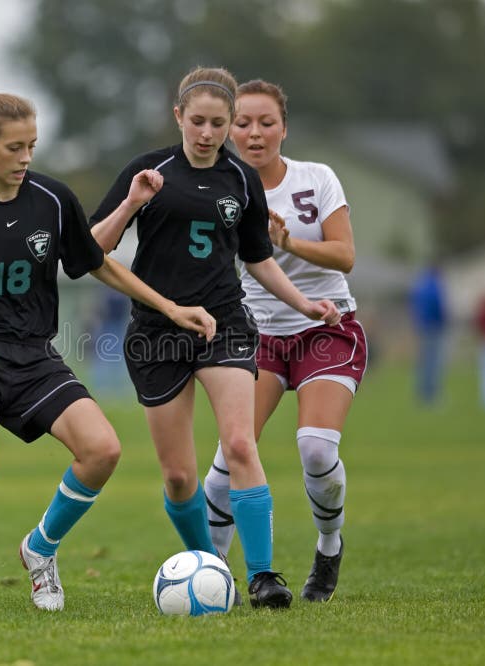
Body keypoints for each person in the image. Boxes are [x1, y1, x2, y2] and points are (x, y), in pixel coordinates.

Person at [0, 85, 216, 617]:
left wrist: (171, 308)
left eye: (32, 145)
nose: (26, 157)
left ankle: (39, 549)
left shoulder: (53, 199)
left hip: (34, 357)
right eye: (15, 148)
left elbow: (98, 262)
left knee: (103, 450)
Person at [89, 67, 341, 609]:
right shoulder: (147, 170)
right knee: (180, 476)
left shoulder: (240, 178)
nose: (207, 133)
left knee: (240, 443)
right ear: (178, 117)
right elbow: (93, 250)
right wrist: (132, 202)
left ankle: (263, 576)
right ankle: (210, 567)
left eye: (218, 124)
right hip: (157, 332)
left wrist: (305, 305)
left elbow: (257, 258)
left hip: (223, 322)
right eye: (197, 121)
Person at [200, 79, 366, 603]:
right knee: (232, 452)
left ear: (283, 128)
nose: (253, 133)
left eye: (265, 122)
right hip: (258, 335)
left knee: (316, 450)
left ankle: (329, 545)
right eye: (242, 123)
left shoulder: (317, 178)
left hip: (325, 328)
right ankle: (212, 570)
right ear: (228, 129)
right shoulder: (221, 187)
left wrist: (289, 242)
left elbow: (344, 256)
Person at [409, 263, 448, 404]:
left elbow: (413, 305)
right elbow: (439, 307)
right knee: (433, 363)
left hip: (421, 327)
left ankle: (421, 394)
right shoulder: (435, 286)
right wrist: (444, 322)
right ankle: (431, 396)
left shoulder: (420, 285)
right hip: (434, 327)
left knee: (423, 362)